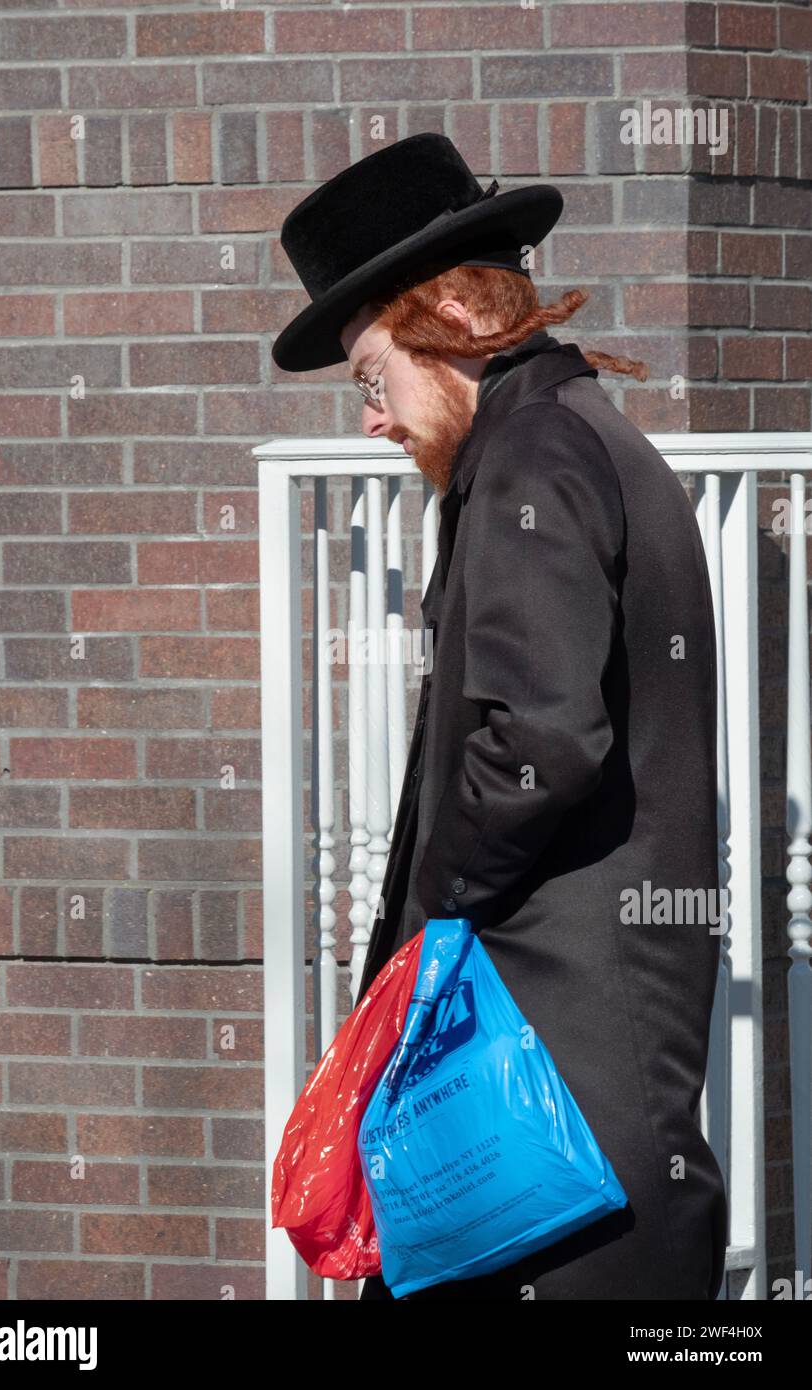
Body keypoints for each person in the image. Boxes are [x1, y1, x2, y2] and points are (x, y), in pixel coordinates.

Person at [272, 133, 728, 1301]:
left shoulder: (531, 456)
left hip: (549, 1113)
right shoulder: (571, 439)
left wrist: (421, 937)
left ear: (457, 316)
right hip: (567, 1097)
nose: (369, 419)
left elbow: (538, 740)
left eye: (370, 378)